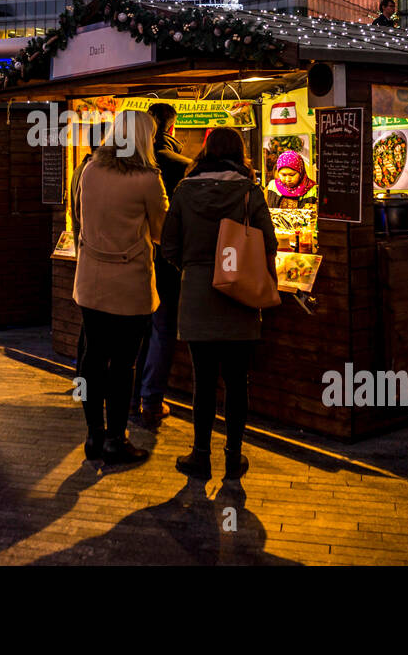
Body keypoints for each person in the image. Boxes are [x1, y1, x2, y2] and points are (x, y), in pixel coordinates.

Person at [161, 127, 277, 481]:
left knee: (204, 380)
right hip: (239, 292)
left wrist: (194, 268)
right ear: (239, 152)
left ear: (206, 151)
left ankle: (200, 455)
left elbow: (168, 246)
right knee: (237, 381)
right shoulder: (249, 191)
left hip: (197, 294)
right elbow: (269, 242)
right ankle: (233, 456)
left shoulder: (183, 190)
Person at [71, 109, 168, 466]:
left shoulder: (90, 170)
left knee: (93, 359)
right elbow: (161, 232)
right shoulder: (147, 179)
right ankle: (116, 439)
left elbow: (80, 217)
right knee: (123, 364)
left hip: (91, 281)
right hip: (129, 285)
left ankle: (93, 435)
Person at [133, 102, 194, 425]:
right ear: (171, 127)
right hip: (166, 259)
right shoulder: (179, 166)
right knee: (163, 327)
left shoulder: (126, 165)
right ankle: (152, 399)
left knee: (140, 329)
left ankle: (132, 398)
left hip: (135, 260)